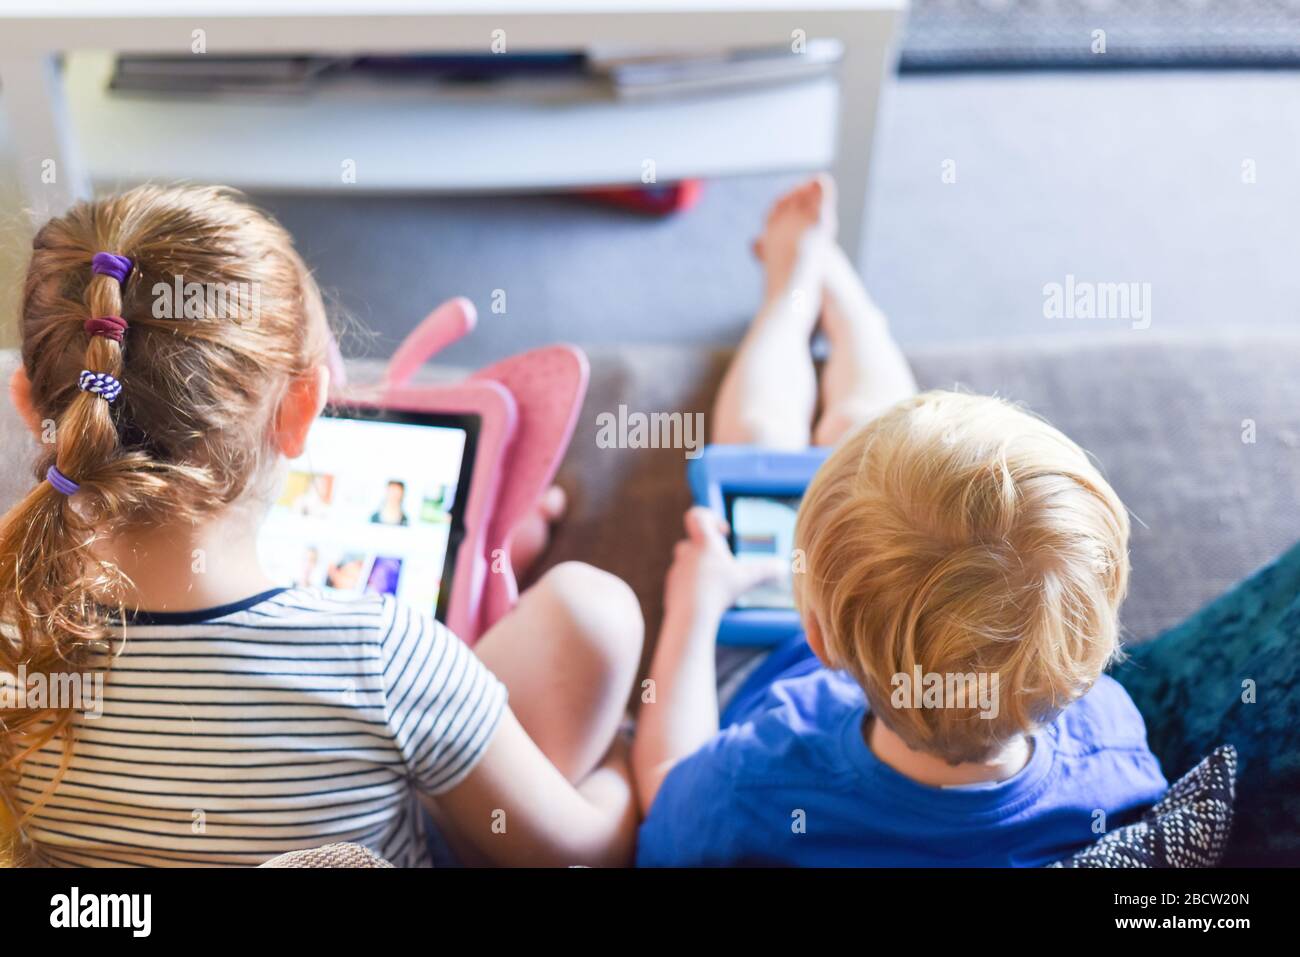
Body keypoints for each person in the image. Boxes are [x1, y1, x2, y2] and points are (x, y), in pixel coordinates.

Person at [0, 185, 644, 867]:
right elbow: (580, 850)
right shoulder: (385, 656)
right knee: (595, 609)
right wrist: (621, 763)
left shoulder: (17, 651)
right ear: (305, 407)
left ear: (26, 403)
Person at [631, 176, 1168, 866]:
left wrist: (691, 611)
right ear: (1086, 657)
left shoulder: (758, 775)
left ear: (818, 634)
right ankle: (844, 299)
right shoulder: (1115, 748)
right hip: (877, 638)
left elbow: (664, 796)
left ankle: (796, 293)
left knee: (765, 438)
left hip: (762, 662)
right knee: (866, 433)